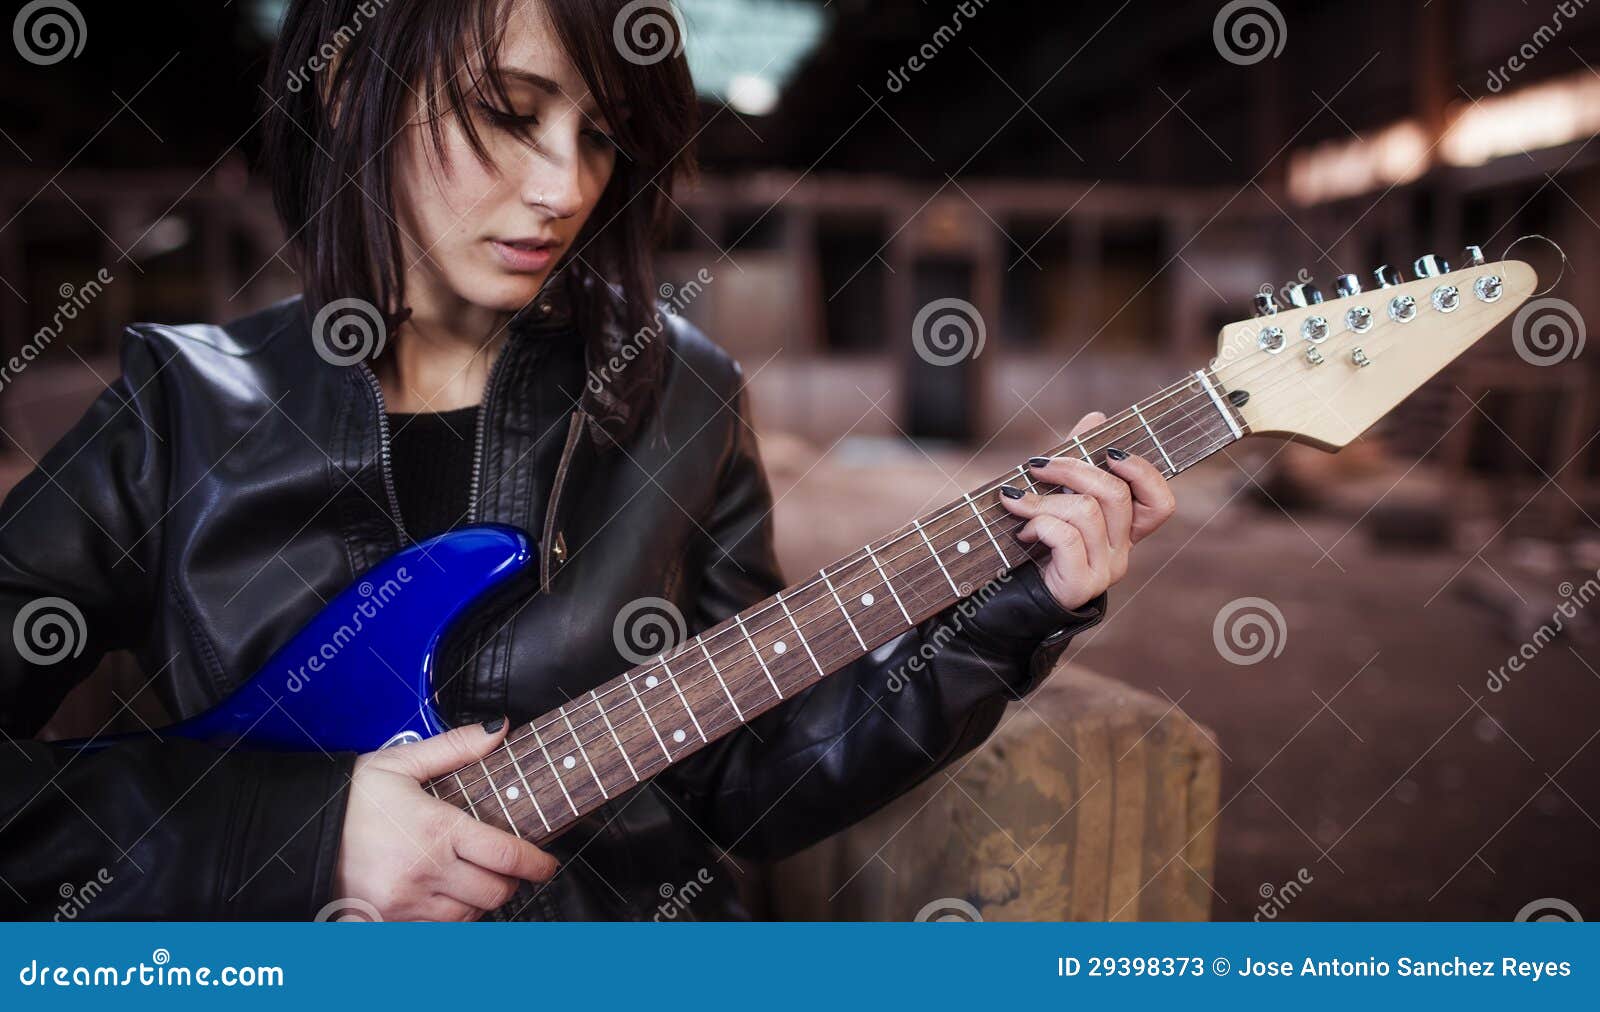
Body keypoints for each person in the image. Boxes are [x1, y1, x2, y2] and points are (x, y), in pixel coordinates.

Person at [0, 0, 1176, 921]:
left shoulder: (679, 395)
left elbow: (749, 780)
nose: (564, 188)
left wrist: (1007, 614)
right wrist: (293, 837)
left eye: (601, 135)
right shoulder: (184, 409)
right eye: (509, 113)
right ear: (357, 87)